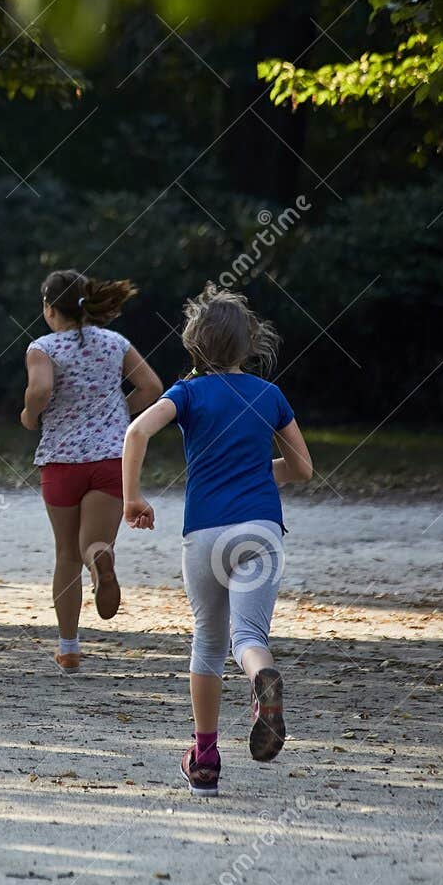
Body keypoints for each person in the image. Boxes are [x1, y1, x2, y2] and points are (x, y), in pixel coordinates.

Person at [122, 284, 313, 798]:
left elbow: (136, 433)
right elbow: (302, 467)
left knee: (207, 642)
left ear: (194, 345)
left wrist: (132, 498)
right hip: (259, 530)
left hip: (205, 532)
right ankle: (262, 681)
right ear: (248, 345)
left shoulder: (185, 393)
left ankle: (204, 759)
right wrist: (256, 473)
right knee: (248, 637)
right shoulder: (269, 395)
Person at [20, 269, 162, 670]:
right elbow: (151, 386)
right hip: (110, 460)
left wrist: (31, 413)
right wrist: (119, 413)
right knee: (94, 544)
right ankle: (101, 558)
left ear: (49, 309)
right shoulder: (115, 343)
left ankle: (68, 646)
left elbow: (43, 390)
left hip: (61, 463)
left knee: (65, 553)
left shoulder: (42, 347)